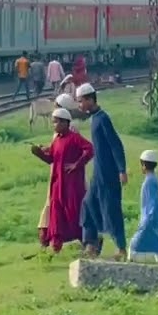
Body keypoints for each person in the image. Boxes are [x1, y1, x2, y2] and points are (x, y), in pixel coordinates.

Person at [75, 82, 128, 259]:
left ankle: (121, 248)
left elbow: (116, 144)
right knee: (88, 205)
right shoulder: (94, 118)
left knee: (111, 210)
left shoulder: (103, 119)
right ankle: (91, 244)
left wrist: (122, 169)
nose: (79, 105)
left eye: (81, 101)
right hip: (97, 175)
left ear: (90, 99)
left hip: (109, 175)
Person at [32, 108, 94, 254]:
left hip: (72, 184)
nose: (54, 125)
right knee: (56, 214)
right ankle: (56, 245)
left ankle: (87, 241)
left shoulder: (74, 138)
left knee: (74, 212)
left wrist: (77, 164)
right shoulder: (57, 140)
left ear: (64, 122)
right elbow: (51, 159)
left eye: (55, 122)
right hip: (58, 183)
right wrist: (39, 154)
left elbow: (90, 149)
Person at [128, 149, 158, 265]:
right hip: (151, 216)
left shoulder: (149, 181)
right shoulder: (152, 179)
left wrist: (148, 217)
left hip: (149, 217)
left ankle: (131, 258)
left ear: (143, 165)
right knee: (157, 240)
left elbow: (152, 201)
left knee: (137, 241)